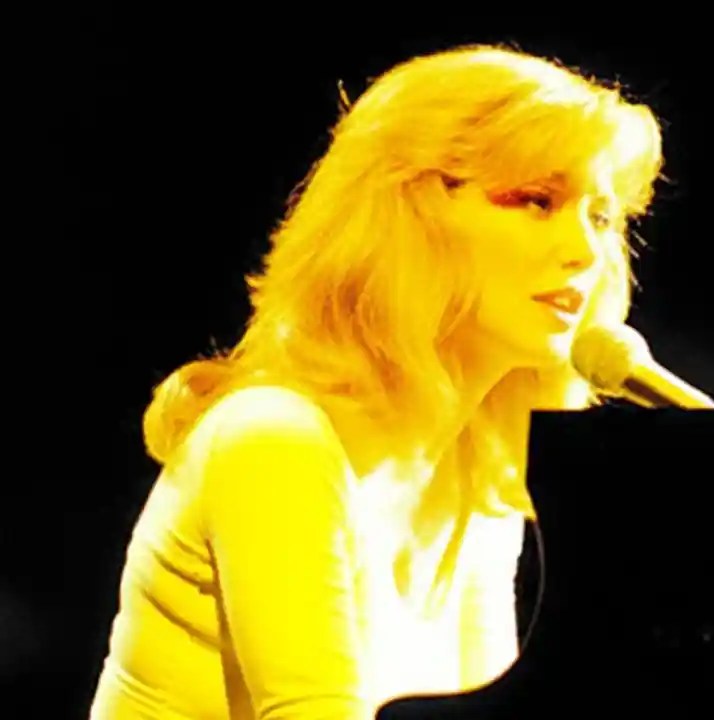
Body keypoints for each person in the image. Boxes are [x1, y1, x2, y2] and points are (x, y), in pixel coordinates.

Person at [89, 43, 665, 719]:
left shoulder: (478, 469)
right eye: (537, 200)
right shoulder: (273, 442)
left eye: (602, 217)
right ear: (408, 214)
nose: (588, 252)